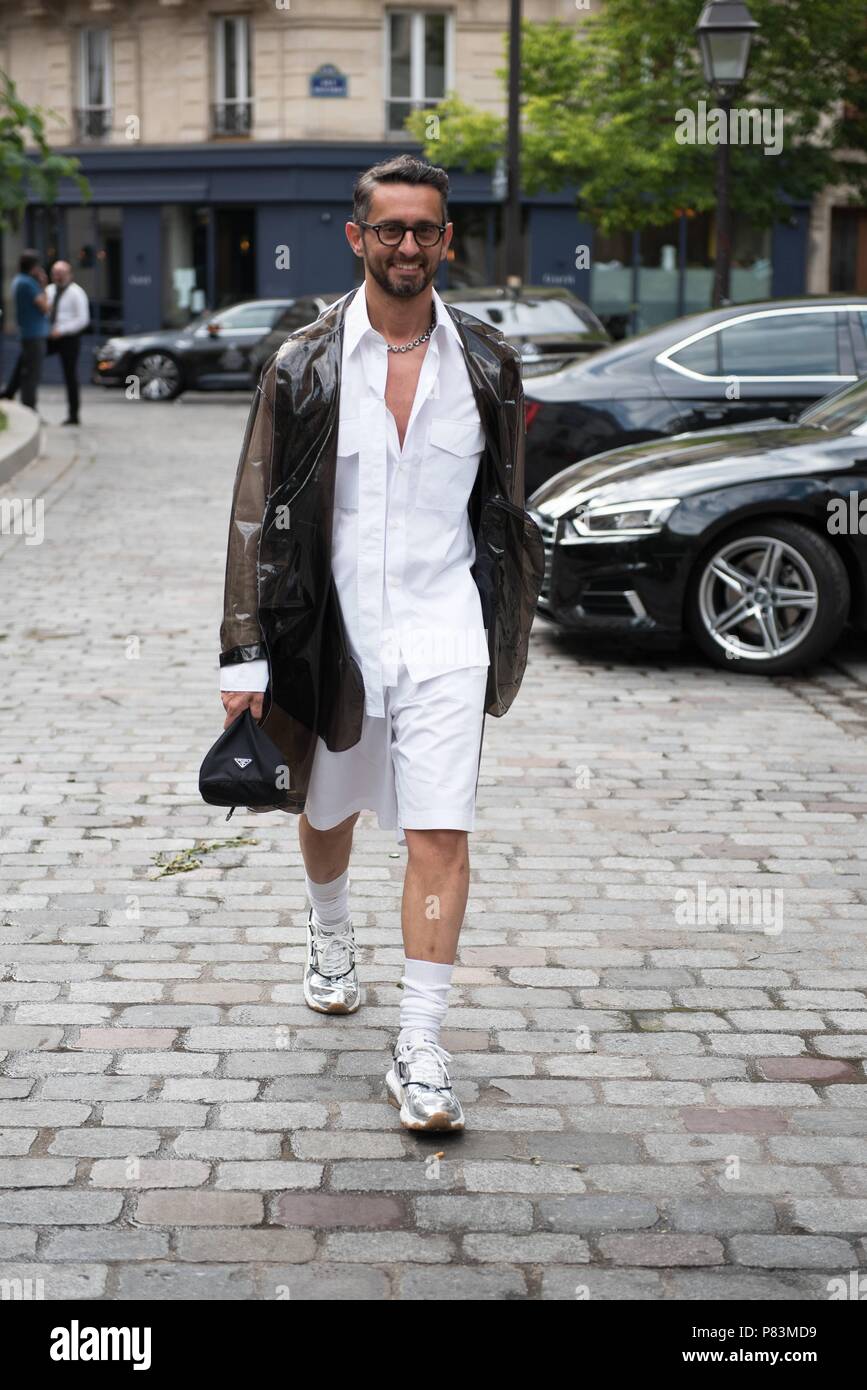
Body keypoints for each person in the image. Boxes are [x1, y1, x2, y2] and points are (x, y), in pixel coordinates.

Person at [218, 154, 543, 1133]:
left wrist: (509, 628)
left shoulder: (486, 361)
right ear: (357, 238)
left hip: (447, 633)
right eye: (391, 229)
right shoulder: (304, 363)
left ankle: (421, 1042)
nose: (410, 246)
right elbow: (251, 512)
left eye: (427, 230)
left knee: (441, 831)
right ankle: (328, 939)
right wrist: (244, 654)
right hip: (334, 630)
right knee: (329, 806)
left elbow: (507, 510)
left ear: (449, 240)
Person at [44, 261, 90, 426]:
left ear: (69, 274)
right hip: (49, 336)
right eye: (55, 273)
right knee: (28, 359)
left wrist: (62, 330)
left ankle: (73, 415)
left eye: (61, 273)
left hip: (69, 338)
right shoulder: (49, 290)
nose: (57, 276)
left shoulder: (77, 293)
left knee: (70, 375)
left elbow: (83, 320)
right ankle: (11, 393)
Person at [4, 251, 49, 411]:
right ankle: (30, 408)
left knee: (26, 371)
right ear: (34, 267)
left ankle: (14, 396)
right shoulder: (28, 283)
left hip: (28, 333)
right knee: (32, 374)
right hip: (34, 334)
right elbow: (44, 307)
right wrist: (43, 286)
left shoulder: (19, 281)